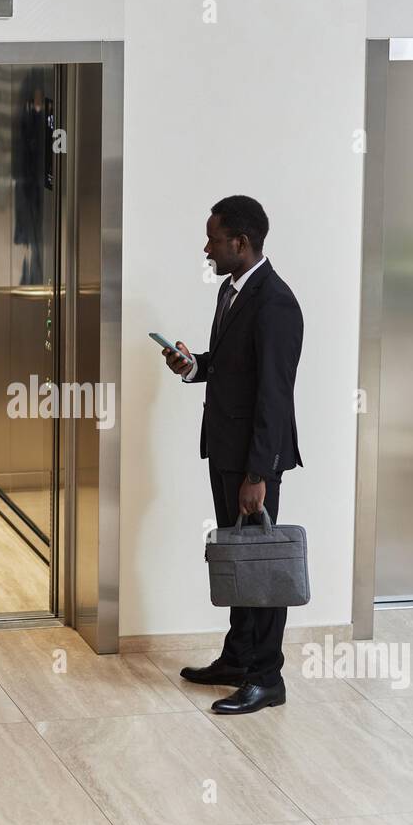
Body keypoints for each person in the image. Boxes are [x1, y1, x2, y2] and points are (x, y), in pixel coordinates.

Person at [162, 195, 304, 715]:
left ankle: (267, 678)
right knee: (237, 561)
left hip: (252, 462)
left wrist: (258, 475)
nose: (208, 247)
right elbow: (228, 368)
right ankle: (239, 656)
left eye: (214, 238)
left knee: (262, 569)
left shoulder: (276, 302)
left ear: (240, 243)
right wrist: (191, 366)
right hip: (225, 452)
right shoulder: (232, 290)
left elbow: (273, 395)